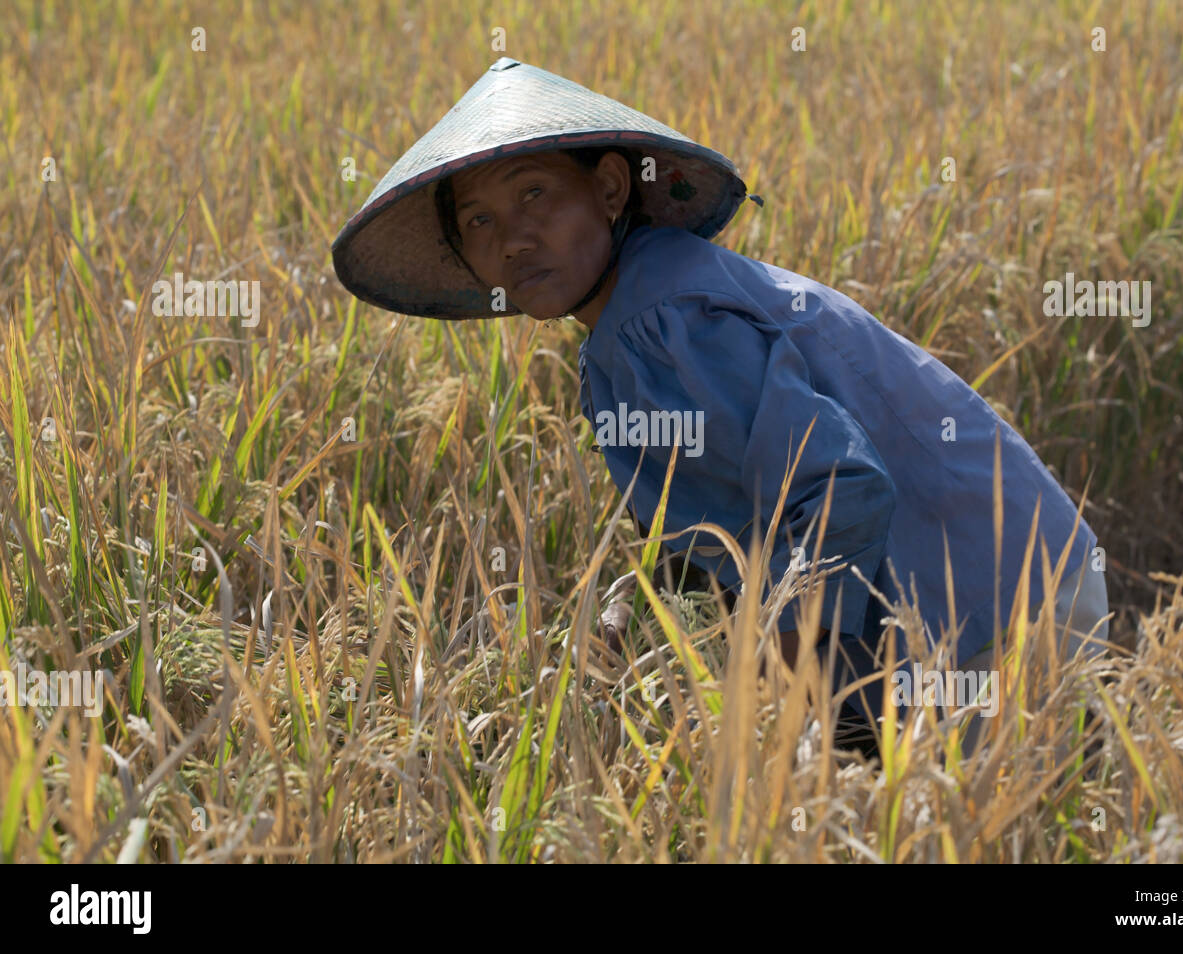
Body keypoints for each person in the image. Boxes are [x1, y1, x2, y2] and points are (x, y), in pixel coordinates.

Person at [332, 57, 1111, 757]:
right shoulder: (639, 314)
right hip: (1007, 576)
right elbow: (724, 509)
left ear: (608, 188)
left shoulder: (662, 318)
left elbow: (841, 487)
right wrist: (633, 602)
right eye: (479, 221)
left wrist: (808, 677)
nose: (514, 238)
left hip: (987, 604)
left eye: (534, 193)